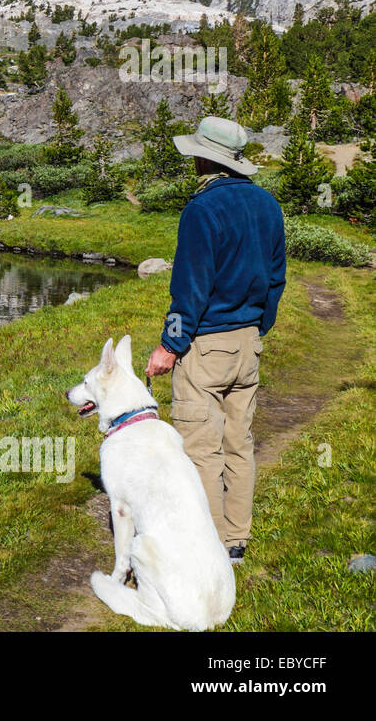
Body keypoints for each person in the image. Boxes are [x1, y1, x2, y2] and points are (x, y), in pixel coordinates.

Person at [143, 116, 286, 565]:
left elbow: (190, 290)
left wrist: (169, 347)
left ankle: (209, 545)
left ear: (204, 157)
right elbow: (276, 277)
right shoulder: (268, 205)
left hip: (206, 346)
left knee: (201, 449)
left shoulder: (201, 210)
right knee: (239, 443)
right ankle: (237, 541)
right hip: (248, 342)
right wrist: (259, 326)